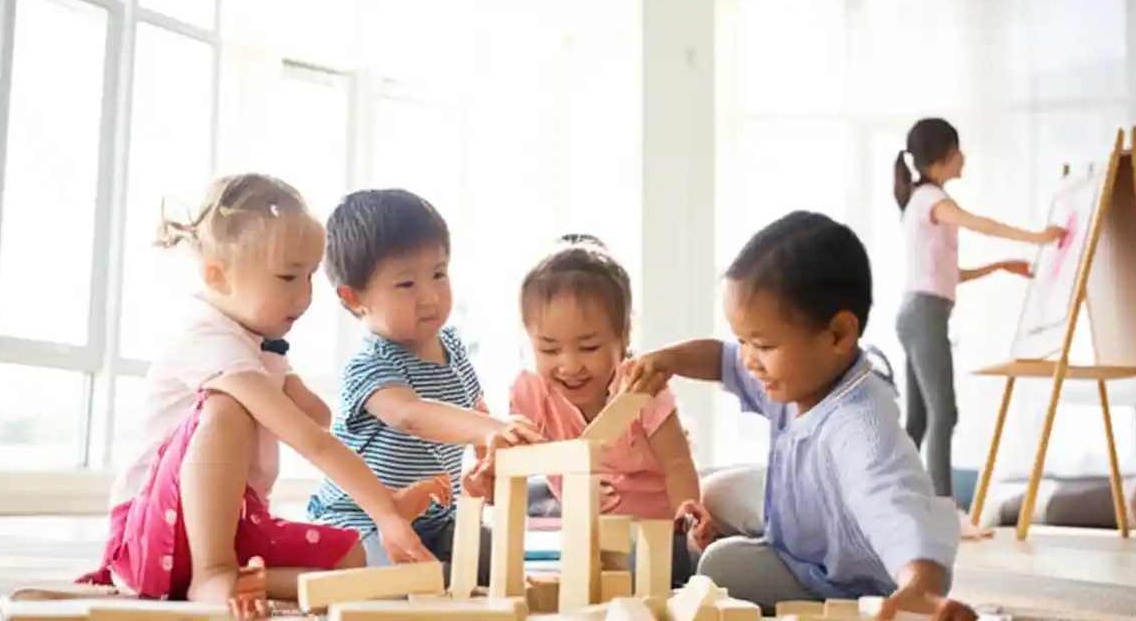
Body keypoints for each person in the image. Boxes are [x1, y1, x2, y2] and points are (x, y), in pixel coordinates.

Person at [78, 174, 435, 619]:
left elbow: (321, 418)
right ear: (218, 276)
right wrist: (381, 508)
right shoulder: (209, 342)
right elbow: (310, 438)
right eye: (287, 277)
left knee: (353, 560)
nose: (304, 296)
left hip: (236, 522)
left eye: (308, 277)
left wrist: (378, 495)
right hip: (152, 537)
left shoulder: (256, 345)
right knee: (226, 405)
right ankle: (213, 572)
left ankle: (246, 579)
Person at [625, 211, 976, 620]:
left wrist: (920, 587)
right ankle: (763, 537)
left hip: (845, 578)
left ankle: (882, 590)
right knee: (715, 491)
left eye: (761, 344)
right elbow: (721, 360)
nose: (749, 361)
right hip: (810, 513)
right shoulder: (795, 374)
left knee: (719, 566)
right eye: (743, 341)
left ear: (839, 335)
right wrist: (667, 360)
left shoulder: (860, 425)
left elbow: (895, 505)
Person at [307, 188, 543, 579]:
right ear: (354, 299)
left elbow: (475, 418)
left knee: (501, 564)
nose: (431, 296)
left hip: (437, 519)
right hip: (363, 520)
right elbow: (410, 414)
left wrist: (490, 456)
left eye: (438, 273)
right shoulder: (370, 364)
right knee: (399, 584)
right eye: (406, 285)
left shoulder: (452, 347)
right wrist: (494, 428)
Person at [466, 236, 713, 585]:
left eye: (589, 347)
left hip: (654, 534)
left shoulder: (640, 386)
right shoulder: (530, 391)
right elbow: (513, 465)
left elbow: (677, 463)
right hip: (585, 536)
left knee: (645, 571)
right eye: (549, 349)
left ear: (623, 336)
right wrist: (489, 473)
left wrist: (688, 513)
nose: (569, 365)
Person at [893, 118, 1065, 533]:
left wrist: (1001, 266)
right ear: (942, 157)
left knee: (919, 420)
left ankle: (894, 505)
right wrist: (1039, 237)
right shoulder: (933, 199)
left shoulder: (922, 200)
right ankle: (944, 513)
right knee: (943, 414)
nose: (964, 157)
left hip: (919, 311)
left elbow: (946, 273)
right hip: (925, 315)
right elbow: (980, 224)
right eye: (958, 149)